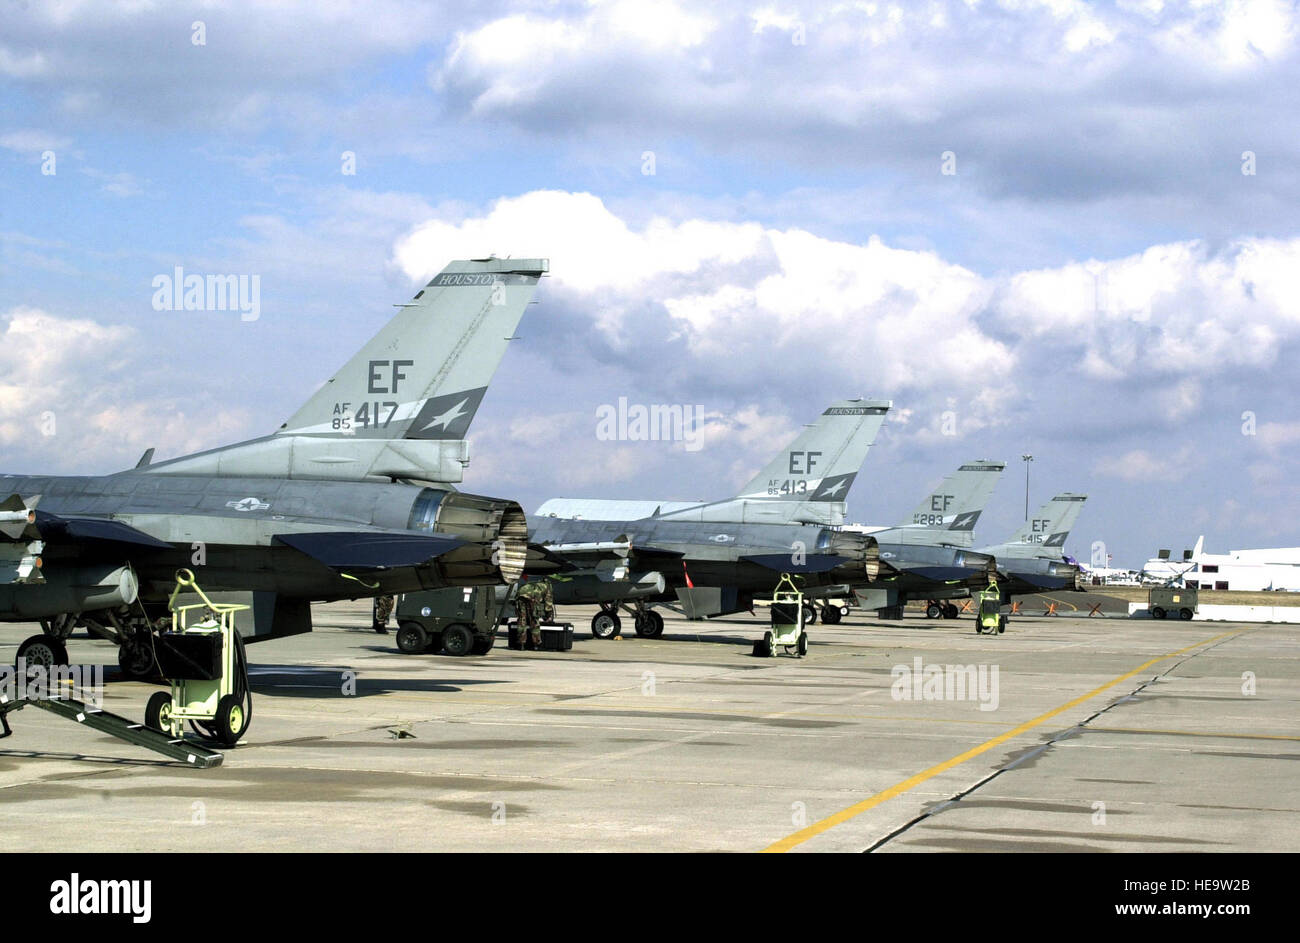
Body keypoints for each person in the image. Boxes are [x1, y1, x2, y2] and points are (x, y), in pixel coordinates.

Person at [513, 579, 551, 651]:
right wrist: (548, 615)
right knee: (534, 620)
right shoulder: (546, 587)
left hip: (520, 596)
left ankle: (521, 644)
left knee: (522, 620)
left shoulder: (533, 583)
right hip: (532, 598)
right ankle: (536, 644)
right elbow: (548, 603)